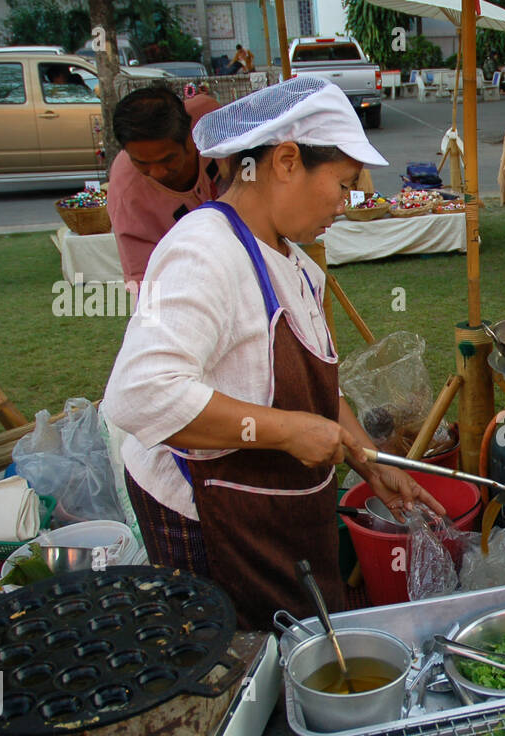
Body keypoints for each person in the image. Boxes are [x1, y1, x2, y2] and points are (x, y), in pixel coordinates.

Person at [104, 76, 442, 630]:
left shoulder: (295, 261)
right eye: (342, 183)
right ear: (286, 161)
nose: (345, 202)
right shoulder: (202, 250)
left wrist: (368, 462)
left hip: (276, 510)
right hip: (209, 522)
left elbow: (316, 390)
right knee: (241, 669)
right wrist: (288, 431)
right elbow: (141, 395)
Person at [107, 86, 226, 286]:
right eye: (142, 163)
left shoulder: (212, 119)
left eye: (167, 159)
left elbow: (251, 168)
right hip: (192, 279)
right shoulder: (126, 195)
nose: (157, 173)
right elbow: (143, 278)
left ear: (189, 138)